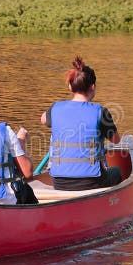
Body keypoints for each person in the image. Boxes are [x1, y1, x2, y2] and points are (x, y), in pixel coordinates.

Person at [40, 56, 122, 191]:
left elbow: (43, 119)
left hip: (59, 182)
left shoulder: (55, 108)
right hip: (91, 182)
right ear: (93, 87)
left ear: (70, 87)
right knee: (116, 172)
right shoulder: (100, 112)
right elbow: (116, 140)